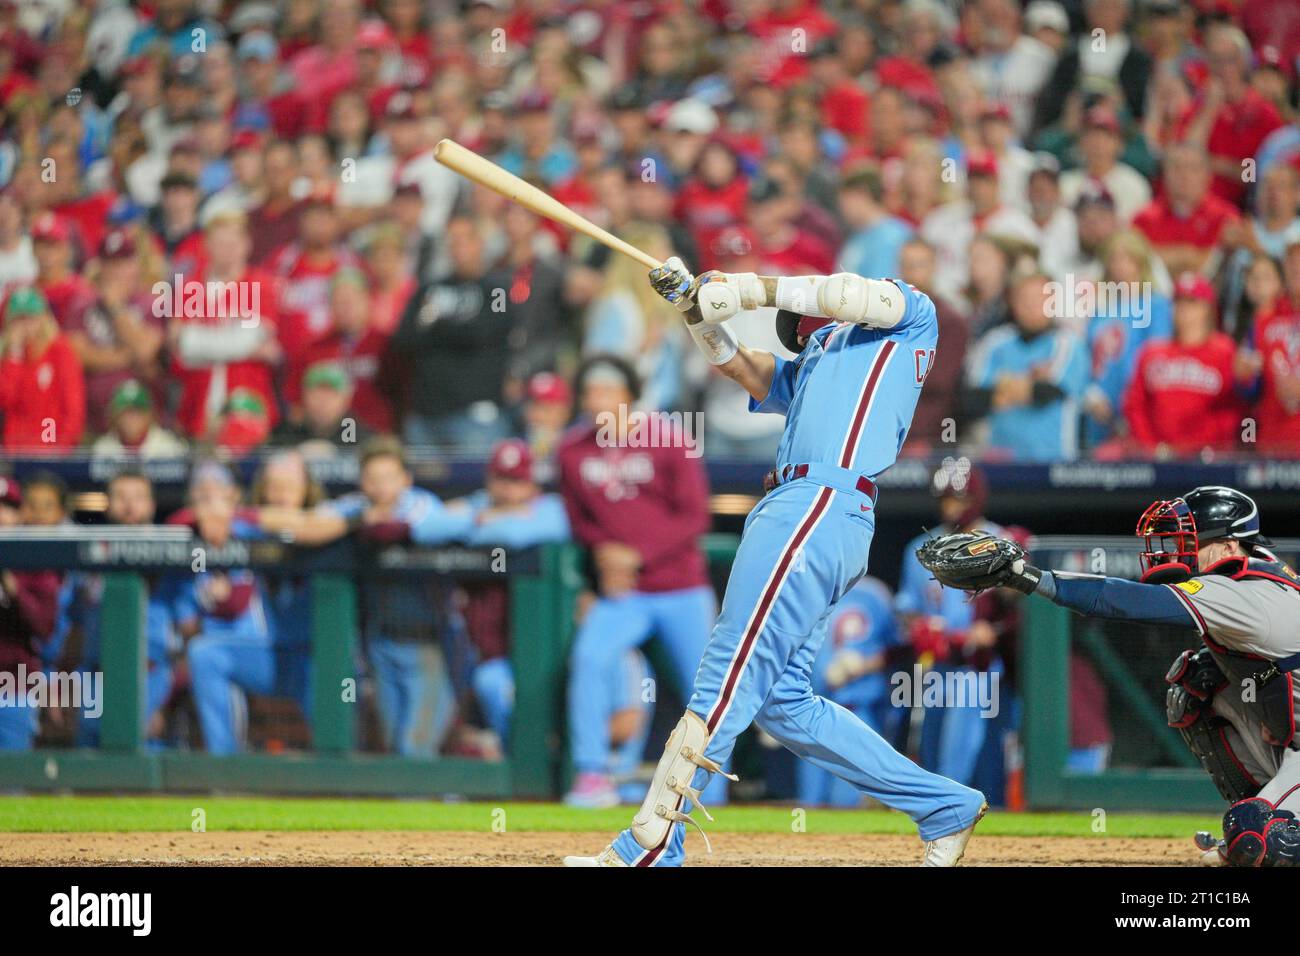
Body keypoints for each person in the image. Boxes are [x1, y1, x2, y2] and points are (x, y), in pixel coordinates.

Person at [565, 257, 985, 867]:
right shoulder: (818, 359)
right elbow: (746, 368)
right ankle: (941, 805)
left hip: (819, 502)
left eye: (800, 314)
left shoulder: (907, 315)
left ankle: (653, 843)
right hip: (805, 508)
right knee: (782, 701)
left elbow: (843, 293)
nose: (798, 324)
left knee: (726, 669)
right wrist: (692, 311)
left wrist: (740, 289)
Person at [924, 487, 1300, 866]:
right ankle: (1271, 803)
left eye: (1192, 541)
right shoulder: (1255, 574)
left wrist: (1028, 578)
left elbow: (1127, 601)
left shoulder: (1240, 591)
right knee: (1198, 679)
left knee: (1258, 836)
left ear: (1230, 547)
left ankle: (1276, 822)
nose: (1177, 550)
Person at [557, 355, 723, 810]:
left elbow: (695, 516)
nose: (598, 401)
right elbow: (579, 522)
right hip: (622, 592)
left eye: (608, 391)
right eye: (590, 392)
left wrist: (636, 553)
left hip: (680, 585)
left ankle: (710, 786)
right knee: (590, 658)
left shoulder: (669, 440)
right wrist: (604, 552)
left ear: (629, 396)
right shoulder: (572, 450)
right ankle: (592, 773)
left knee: (705, 685)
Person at [797, 576, 902, 808]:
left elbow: (898, 649)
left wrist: (862, 666)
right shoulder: (808, 588)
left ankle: (851, 843)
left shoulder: (875, 593)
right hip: (807, 709)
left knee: (847, 799)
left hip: (857, 709)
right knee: (810, 799)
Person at [963, 273, 1089, 462]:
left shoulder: (1068, 344)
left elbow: (1047, 393)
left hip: (1055, 462)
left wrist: (1004, 387)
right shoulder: (994, 342)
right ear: (1013, 302)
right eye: (1025, 299)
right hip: (1001, 462)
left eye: (1040, 300)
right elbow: (971, 398)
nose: (1031, 306)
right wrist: (1028, 386)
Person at [1121, 273, 1245, 458]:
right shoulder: (1152, 352)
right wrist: (1152, 447)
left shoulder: (1225, 351)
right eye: (1179, 302)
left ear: (1208, 308)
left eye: (1192, 302)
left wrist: (1201, 445)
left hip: (1210, 458)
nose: (1183, 308)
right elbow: (1134, 405)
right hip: (1158, 459)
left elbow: (1236, 409)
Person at [0, 474, 65, 749]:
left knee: (12, 781)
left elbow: (43, 627)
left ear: (22, 514)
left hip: (14, 684)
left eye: (9, 507)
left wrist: (13, 588)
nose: (1, 515)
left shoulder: (36, 562)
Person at [0, 287, 85, 452]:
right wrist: (14, 354)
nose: (25, 326)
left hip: (52, 448)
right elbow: (5, 397)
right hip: (16, 449)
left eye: (31, 318)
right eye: (19, 319)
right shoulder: (8, 357)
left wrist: (61, 447)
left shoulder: (60, 351)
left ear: (43, 318)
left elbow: (73, 405)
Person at [91, 379, 188, 458]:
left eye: (138, 412)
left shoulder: (170, 447)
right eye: (126, 412)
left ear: (150, 415)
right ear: (114, 416)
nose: (131, 419)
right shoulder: (102, 449)